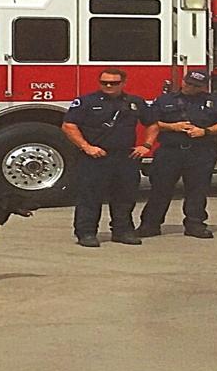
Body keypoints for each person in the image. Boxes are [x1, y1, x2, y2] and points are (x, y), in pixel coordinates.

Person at [135, 71, 217, 239]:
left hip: (201, 151)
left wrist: (205, 131)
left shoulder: (214, 101)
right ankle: (150, 225)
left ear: (202, 86)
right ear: (183, 81)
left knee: (197, 190)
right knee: (160, 189)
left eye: (195, 85)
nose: (190, 88)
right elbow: (152, 122)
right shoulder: (165, 100)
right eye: (188, 83)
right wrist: (174, 127)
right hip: (170, 151)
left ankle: (195, 224)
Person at [62, 68, 151, 247]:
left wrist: (146, 145)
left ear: (123, 83)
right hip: (96, 157)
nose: (109, 86)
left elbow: (153, 124)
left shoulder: (135, 102)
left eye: (114, 83)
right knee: (90, 197)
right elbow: (68, 125)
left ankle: (122, 231)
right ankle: (86, 233)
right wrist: (87, 147)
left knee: (125, 196)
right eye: (105, 83)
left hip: (126, 157)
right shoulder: (86, 102)